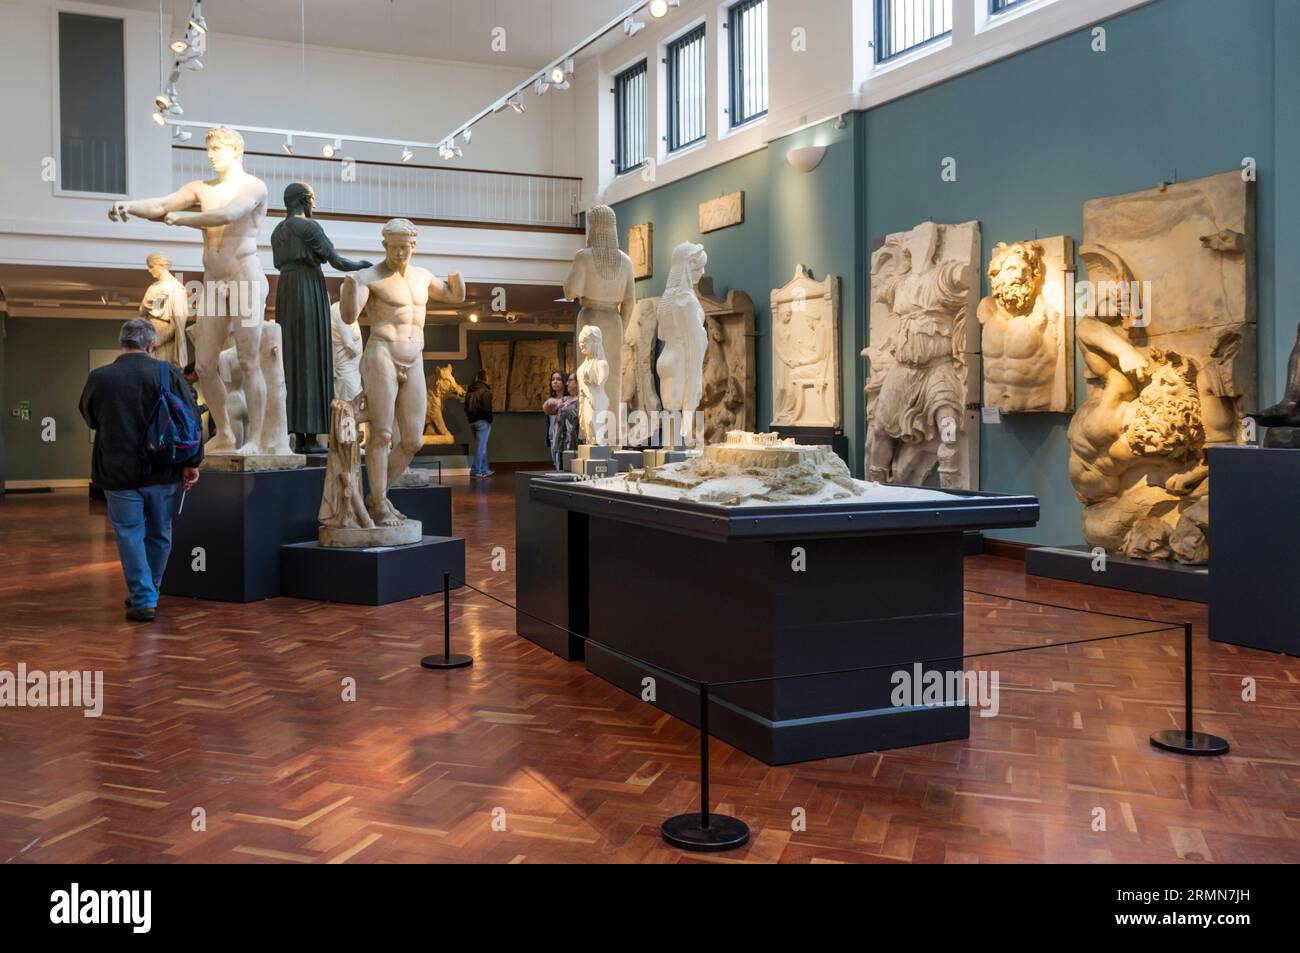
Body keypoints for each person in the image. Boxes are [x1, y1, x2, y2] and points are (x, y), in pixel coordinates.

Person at [79, 318, 203, 622]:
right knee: (160, 533)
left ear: (122, 343)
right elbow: (191, 421)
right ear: (150, 344)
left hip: (118, 473)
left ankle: (143, 595)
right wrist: (191, 463)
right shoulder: (168, 372)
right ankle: (150, 591)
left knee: (129, 534)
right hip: (163, 471)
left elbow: (90, 417)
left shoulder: (100, 377)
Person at [465, 369, 494, 479]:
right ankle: (476, 470)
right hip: (483, 422)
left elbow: (466, 407)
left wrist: (470, 419)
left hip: (472, 422)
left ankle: (484, 469)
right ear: (486, 378)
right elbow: (487, 408)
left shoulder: (470, 390)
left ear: (477, 378)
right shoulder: (485, 391)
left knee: (482, 445)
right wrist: (490, 419)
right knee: (481, 447)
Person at [552, 372, 580, 468]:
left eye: (570, 380)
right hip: (561, 440)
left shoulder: (581, 401)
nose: (567, 383)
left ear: (578, 383)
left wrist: (564, 412)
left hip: (572, 442)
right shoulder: (565, 400)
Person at [544, 370, 566, 465]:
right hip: (552, 437)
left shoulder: (569, 400)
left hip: (564, 439)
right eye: (553, 379)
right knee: (556, 464)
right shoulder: (550, 401)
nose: (555, 381)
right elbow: (549, 422)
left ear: (564, 382)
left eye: (558, 379)